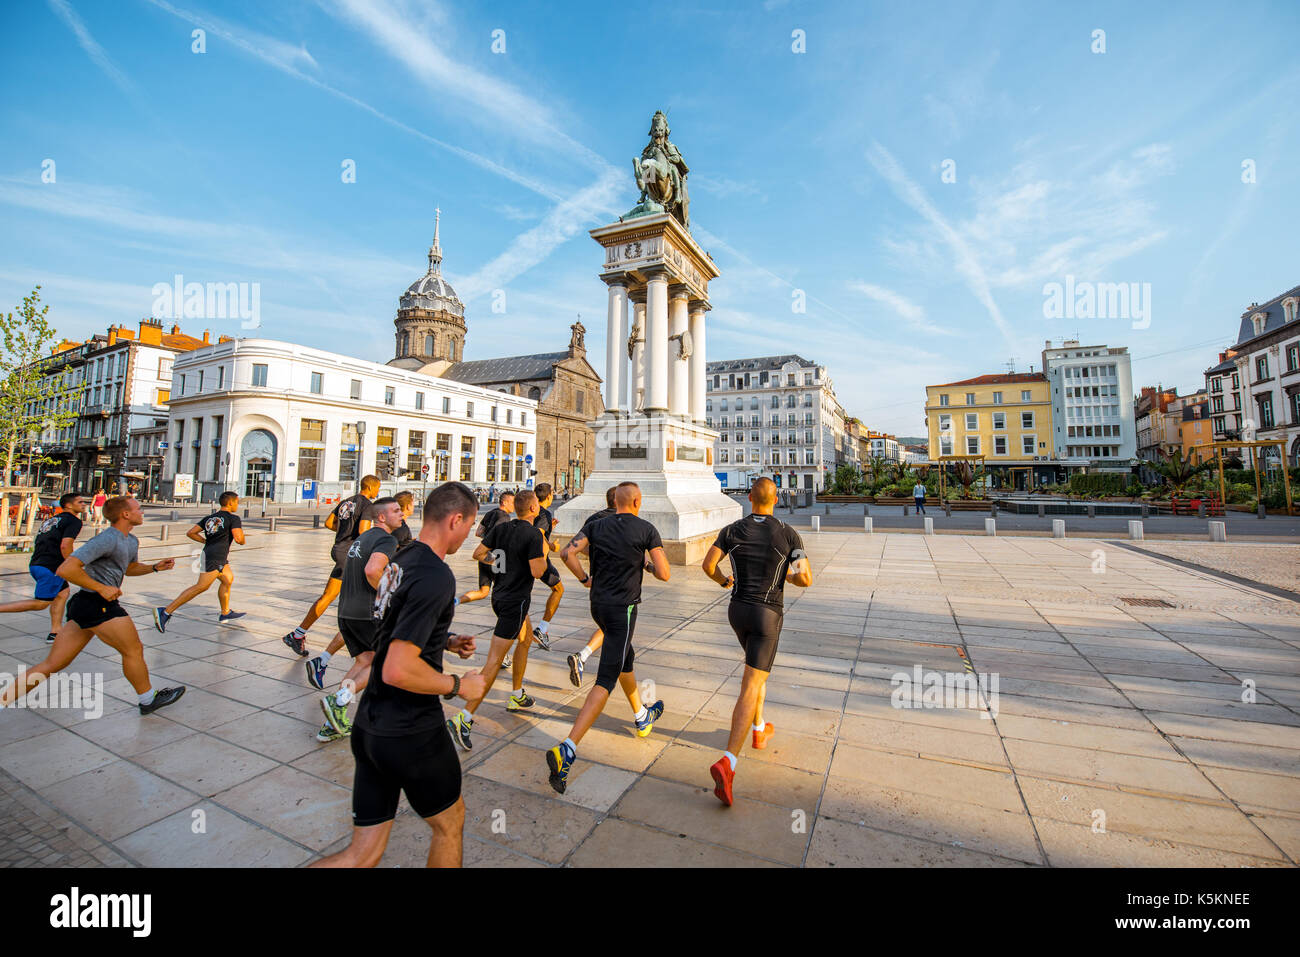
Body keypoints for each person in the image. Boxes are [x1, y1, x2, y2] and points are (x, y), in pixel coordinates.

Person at [310, 482, 485, 868]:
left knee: (362, 854)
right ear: (455, 519)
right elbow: (397, 668)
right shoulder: (438, 576)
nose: (469, 533)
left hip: (370, 726)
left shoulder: (400, 561)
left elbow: (393, 635)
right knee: (449, 823)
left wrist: (445, 640)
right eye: (469, 524)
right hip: (411, 730)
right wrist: (459, 685)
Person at [1, 496, 185, 715]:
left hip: (85, 606)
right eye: (138, 509)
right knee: (133, 650)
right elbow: (66, 569)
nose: (142, 512)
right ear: (125, 514)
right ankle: (148, 700)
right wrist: (100, 587)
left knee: (53, 664)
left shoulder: (131, 540)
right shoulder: (107, 539)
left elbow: (130, 568)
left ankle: (3, 699)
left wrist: (155, 567)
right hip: (99, 605)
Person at [547, 482, 668, 794]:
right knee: (606, 679)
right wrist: (648, 564)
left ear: (615, 501)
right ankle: (568, 749)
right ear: (637, 501)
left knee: (624, 659)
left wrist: (585, 578)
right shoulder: (646, 529)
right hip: (623, 609)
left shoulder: (596, 525)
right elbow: (665, 573)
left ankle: (642, 716)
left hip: (598, 605)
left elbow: (566, 552)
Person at [700, 477, 812, 806]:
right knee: (751, 681)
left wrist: (725, 581)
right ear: (776, 499)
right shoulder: (787, 534)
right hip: (767, 615)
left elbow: (708, 565)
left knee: (756, 669)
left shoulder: (731, 530)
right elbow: (805, 577)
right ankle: (728, 763)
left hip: (738, 610)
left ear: (750, 498)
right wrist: (785, 576)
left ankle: (759, 728)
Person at [445, 490, 546, 751]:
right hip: (516, 602)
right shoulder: (534, 534)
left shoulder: (503, 528)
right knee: (494, 661)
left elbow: (478, 553)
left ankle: (516, 694)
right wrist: (542, 550)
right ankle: (464, 717)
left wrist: (501, 562)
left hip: (499, 597)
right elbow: (537, 571)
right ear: (534, 508)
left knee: (525, 640)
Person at [315, 496, 405, 743]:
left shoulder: (362, 538)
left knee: (363, 662)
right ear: (382, 517)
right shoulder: (386, 539)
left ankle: (331, 723)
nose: (402, 514)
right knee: (384, 662)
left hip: (347, 612)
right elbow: (372, 571)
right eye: (396, 511)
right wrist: (389, 598)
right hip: (367, 613)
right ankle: (339, 700)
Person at [282, 475, 379, 656]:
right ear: (372, 487)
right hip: (353, 556)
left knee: (328, 596)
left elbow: (328, 523)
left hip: (340, 550)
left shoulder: (346, 502)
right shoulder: (367, 505)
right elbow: (364, 531)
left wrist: (344, 531)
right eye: (377, 488)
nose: (378, 492)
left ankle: (297, 634)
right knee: (366, 600)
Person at [152, 491, 246, 632]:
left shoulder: (209, 518)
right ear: (231, 502)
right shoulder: (233, 518)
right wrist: (243, 540)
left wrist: (205, 541)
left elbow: (191, 532)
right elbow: (239, 539)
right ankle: (165, 612)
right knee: (201, 587)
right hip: (215, 558)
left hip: (211, 554)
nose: (237, 505)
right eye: (237, 502)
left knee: (228, 579)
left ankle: (225, 611)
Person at [0, 492, 86, 642]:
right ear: (68, 505)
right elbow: (66, 545)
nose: (84, 504)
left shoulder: (53, 519)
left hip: (37, 563)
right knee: (41, 603)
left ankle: (55, 632)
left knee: (63, 593)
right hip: (51, 567)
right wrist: (73, 564)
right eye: (80, 502)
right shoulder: (73, 521)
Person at [565, 485, 617, 687]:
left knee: (609, 627)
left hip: (598, 583)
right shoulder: (630, 522)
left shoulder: (594, 520)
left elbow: (573, 550)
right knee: (615, 630)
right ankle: (585, 659)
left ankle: (584, 657)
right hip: (620, 586)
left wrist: (585, 578)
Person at [456, 490, 514, 606]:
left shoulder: (490, 513)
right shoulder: (504, 517)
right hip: (496, 558)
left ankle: (455, 601)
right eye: (513, 502)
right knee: (506, 593)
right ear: (505, 502)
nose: (515, 505)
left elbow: (478, 532)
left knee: (483, 592)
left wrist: (487, 539)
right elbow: (497, 535)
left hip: (484, 557)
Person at [529, 483, 563, 651]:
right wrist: (551, 546)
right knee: (558, 589)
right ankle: (542, 629)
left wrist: (550, 527)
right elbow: (538, 534)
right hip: (538, 559)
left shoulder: (533, 510)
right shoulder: (545, 513)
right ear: (549, 496)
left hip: (526, 557)